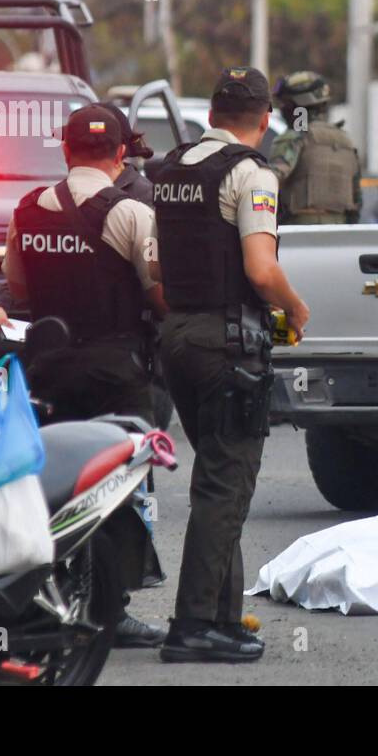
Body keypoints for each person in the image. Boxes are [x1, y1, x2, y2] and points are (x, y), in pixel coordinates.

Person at [153, 67, 309, 663]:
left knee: (220, 477)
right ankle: (193, 626)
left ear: (212, 115)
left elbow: (159, 272)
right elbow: (261, 269)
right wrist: (296, 309)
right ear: (265, 120)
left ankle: (222, 617)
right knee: (226, 481)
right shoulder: (252, 174)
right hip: (226, 343)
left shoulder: (169, 168)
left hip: (177, 338)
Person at [1, 104, 168, 648]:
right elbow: (159, 293)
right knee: (119, 489)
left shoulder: (27, 209)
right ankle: (111, 610)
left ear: (65, 148)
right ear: (121, 154)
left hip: (47, 372)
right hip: (115, 374)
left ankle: (48, 600)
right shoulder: (131, 213)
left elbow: (19, 292)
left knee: (50, 487)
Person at [0, 102, 153, 332]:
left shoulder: (142, 202)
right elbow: (35, 268)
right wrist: (1, 301)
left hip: (113, 346)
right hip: (63, 346)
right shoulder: (57, 200)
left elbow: (158, 289)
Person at [268, 70, 360, 224]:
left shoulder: (295, 137)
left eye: (286, 103)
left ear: (297, 105)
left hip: (299, 232)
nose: (283, 109)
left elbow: (270, 180)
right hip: (340, 233)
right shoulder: (346, 140)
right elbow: (357, 200)